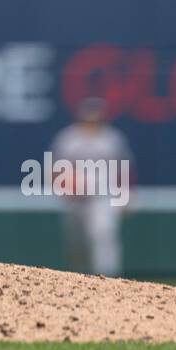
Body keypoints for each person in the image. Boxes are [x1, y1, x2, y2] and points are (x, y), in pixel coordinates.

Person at [50, 98, 134, 278]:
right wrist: (64, 186)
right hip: (75, 199)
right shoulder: (68, 139)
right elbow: (54, 170)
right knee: (77, 244)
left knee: (104, 237)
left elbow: (124, 169)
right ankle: (79, 282)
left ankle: (109, 282)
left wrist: (126, 195)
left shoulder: (112, 139)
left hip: (104, 197)